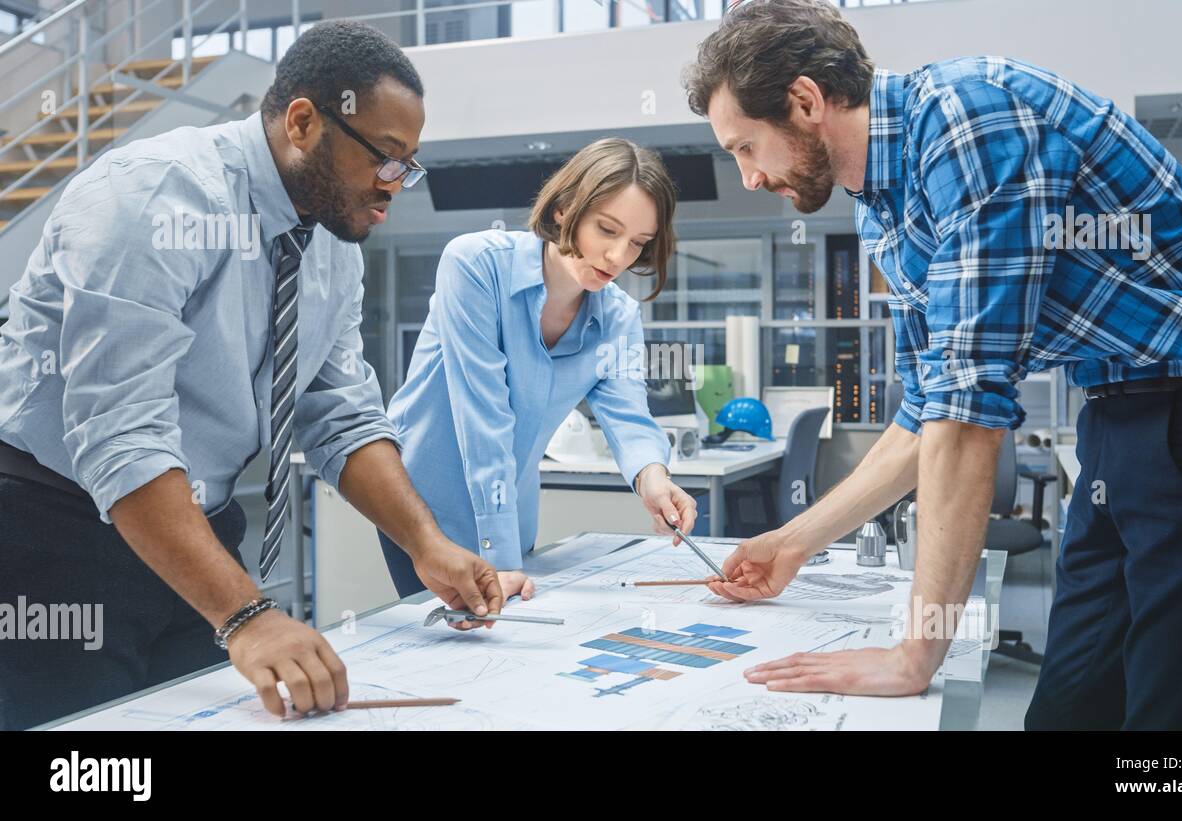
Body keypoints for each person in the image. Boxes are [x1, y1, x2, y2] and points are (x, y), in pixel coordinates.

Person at [683, 0, 1182, 729]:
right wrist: (792, 543)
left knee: (1173, 728)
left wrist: (917, 652)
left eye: (745, 148)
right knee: (1067, 712)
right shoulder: (878, 205)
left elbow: (968, 416)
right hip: (1113, 413)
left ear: (805, 102)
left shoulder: (969, 120)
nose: (747, 177)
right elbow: (925, 411)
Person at [0, 21, 506, 729]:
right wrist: (248, 615)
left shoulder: (332, 243)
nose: (397, 185)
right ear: (303, 121)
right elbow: (122, 437)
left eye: (409, 164)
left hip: (197, 532)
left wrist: (427, 544)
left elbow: (340, 414)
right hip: (56, 535)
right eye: (386, 159)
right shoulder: (153, 197)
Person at [379, 138, 698, 595]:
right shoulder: (475, 265)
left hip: (510, 512)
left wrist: (653, 477)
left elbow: (629, 416)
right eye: (607, 230)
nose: (619, 257)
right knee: (449, 657)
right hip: (422, 510)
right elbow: (483, 415)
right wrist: (500, 557)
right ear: (565, 209)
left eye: (638, 243)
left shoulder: (618, 317)